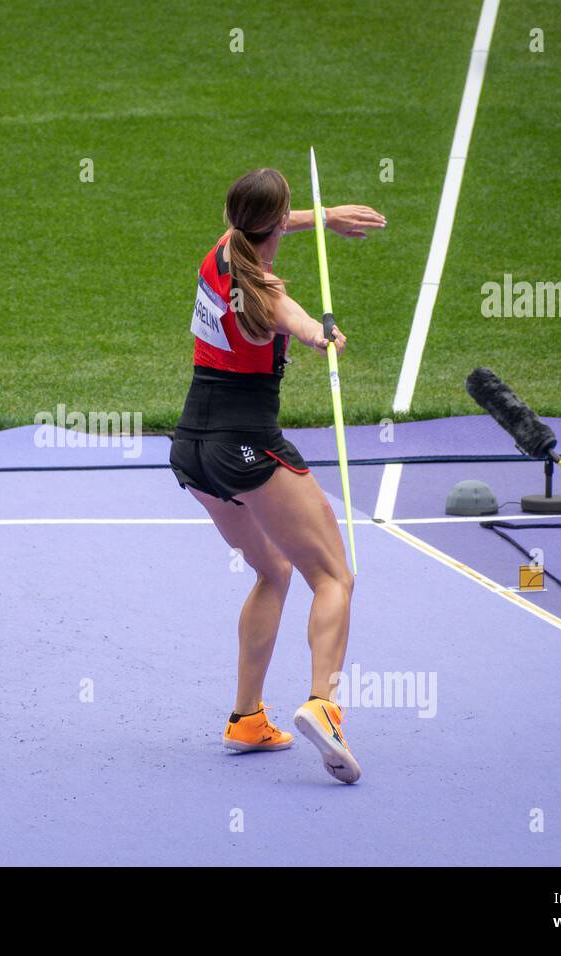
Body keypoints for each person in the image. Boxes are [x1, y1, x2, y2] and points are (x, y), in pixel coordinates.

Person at [169, 167, 384, 783]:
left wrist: (327, 215)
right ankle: (324, 704)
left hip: (191, 449)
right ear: (276, 221)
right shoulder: (266, 293)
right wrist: (325, 336)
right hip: (247, 446)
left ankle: (246, 719)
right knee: (335, 576)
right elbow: (299, 322)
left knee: (273, 568)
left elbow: (266, 223)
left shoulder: (220, 253)